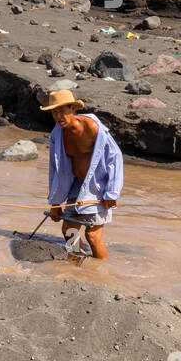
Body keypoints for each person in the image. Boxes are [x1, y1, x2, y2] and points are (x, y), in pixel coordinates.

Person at [41, 89, 123, 260]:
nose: (58, 117)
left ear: (72, 109)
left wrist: (112, 193)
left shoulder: (93, 128)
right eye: (54, 113)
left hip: (97, 187)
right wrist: (55, 202)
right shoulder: (57, 134)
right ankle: (77, 266)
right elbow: (55, 168)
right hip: (76, 186)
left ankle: (102, 276)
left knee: (92, 236)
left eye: (62, 111)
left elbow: (115, 159)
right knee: (68, 231)